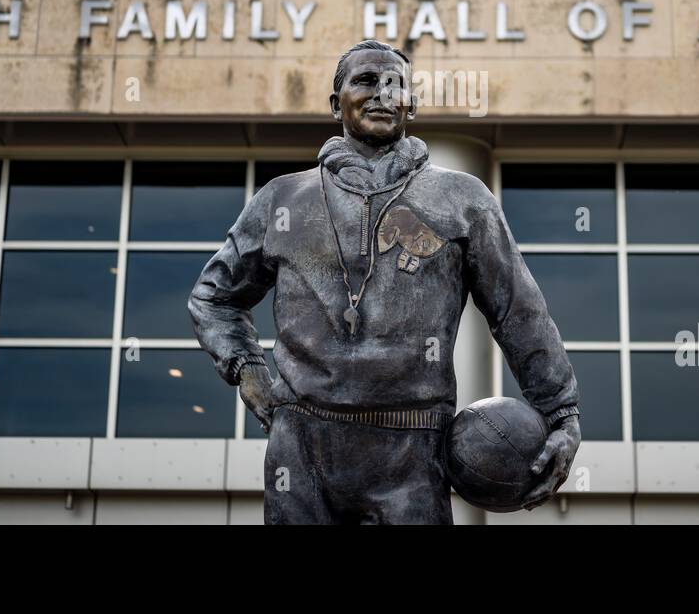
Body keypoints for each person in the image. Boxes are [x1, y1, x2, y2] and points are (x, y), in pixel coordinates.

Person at [189, 39, 580, 524]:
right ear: (337, 104)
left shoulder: (461, 198)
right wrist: (246, 367)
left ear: (410, 105)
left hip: (413, 447)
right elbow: (214, 297)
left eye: (396, 84)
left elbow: (518, 310)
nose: (383, 93)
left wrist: (561, 412)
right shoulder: (282, 199)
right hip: (302, 443)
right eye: (366, 81)